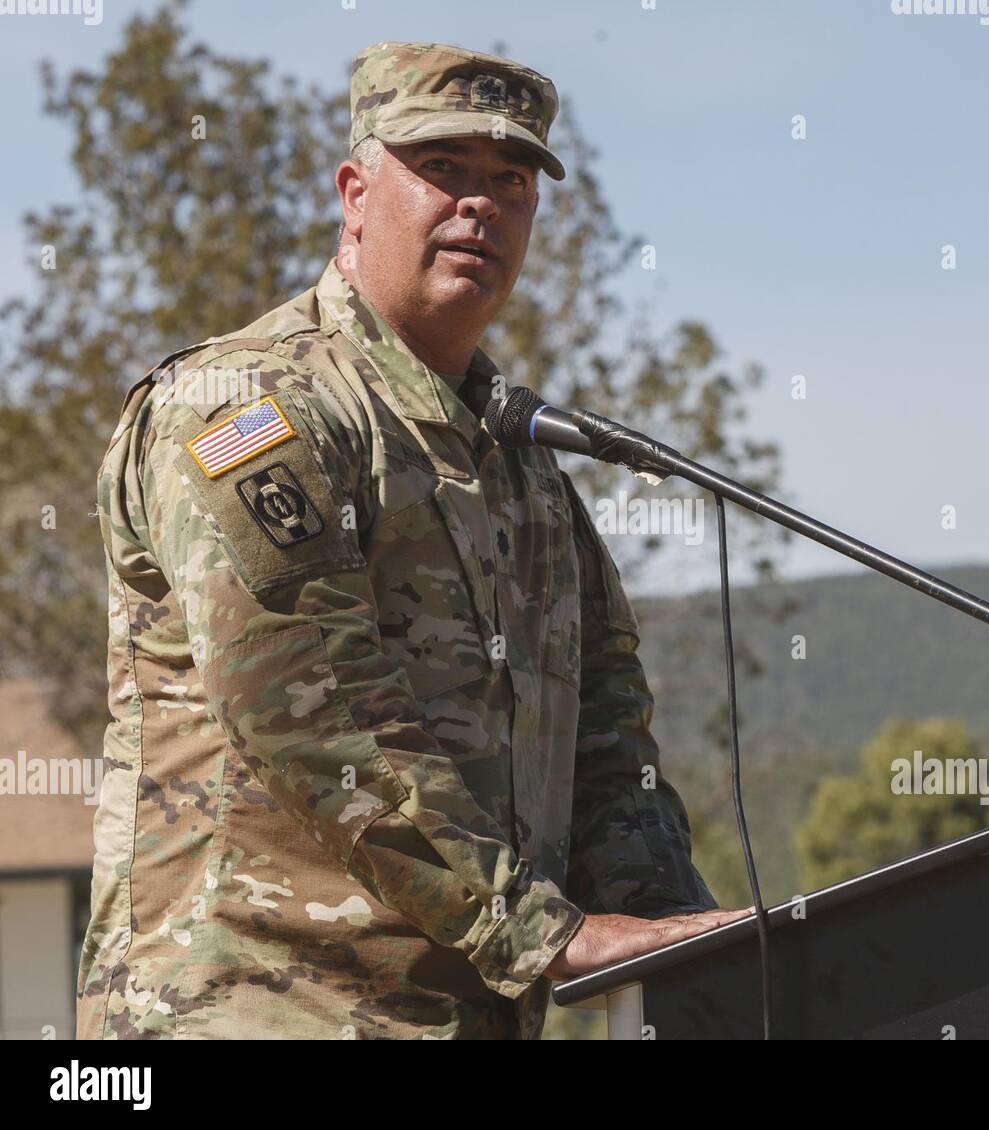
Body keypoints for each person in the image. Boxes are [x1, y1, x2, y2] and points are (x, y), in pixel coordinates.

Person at [77, 40, 745, 1040]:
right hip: (250, 1013)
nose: (480, 204)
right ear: (355, 192)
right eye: (443, 171)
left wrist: (697, 948)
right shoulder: (248, 404)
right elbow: (305, 703)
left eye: (510, 181)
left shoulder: (524, 466)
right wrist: (540, 932)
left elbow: (608, 738)